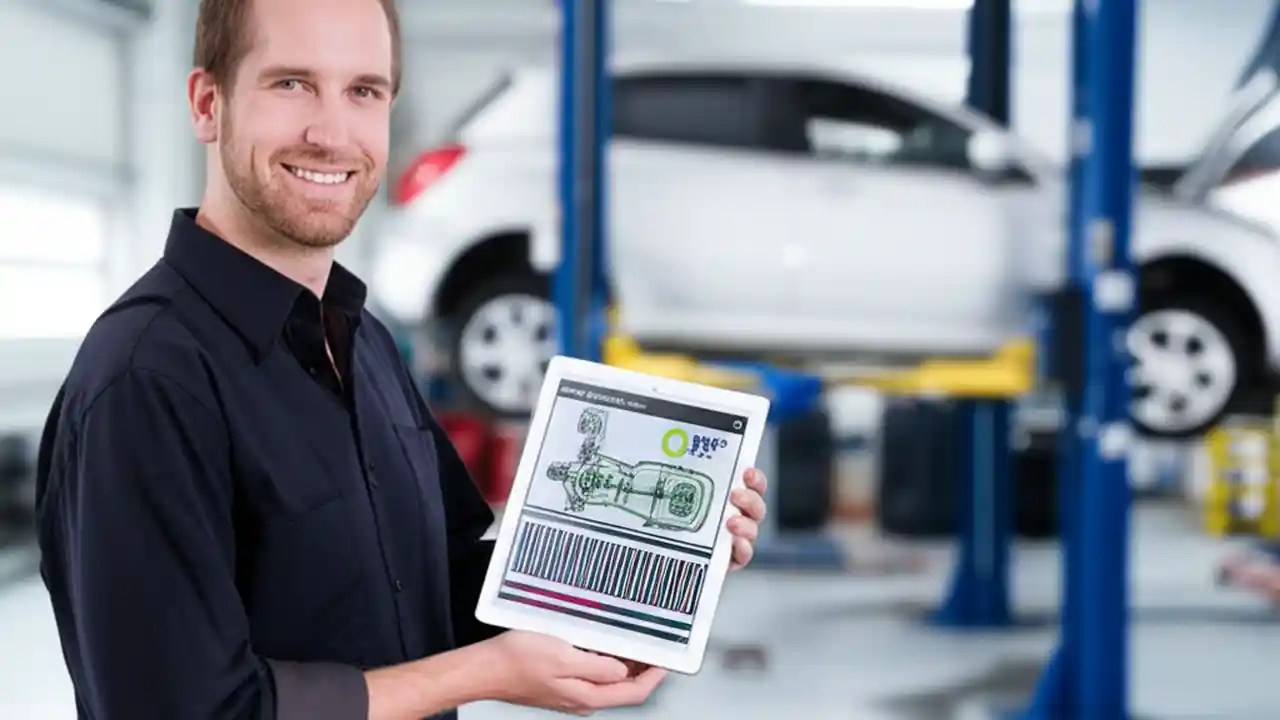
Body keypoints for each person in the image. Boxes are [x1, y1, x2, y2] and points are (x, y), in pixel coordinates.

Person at [31, 0, 770, 718]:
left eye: (364, 91)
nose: (331, 133)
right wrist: (485, 673)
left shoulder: (363, 343)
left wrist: (661, 557)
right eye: (291, 83)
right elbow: (193, 708)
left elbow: (435, 585)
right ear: (206, 104)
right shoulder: (146, 380)